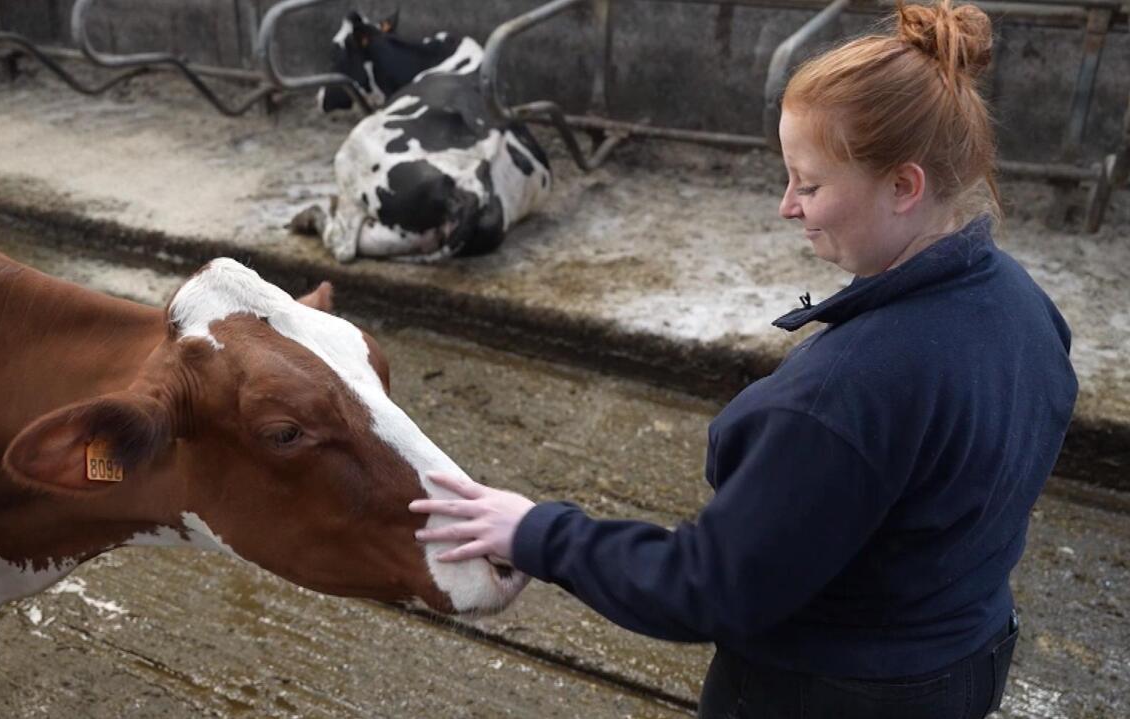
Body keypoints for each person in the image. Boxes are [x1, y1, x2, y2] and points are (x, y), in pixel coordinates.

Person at [409, 1, 1079, 717]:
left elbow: (708, 586)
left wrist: (537, 532)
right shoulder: (1025, 307)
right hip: (965, 661)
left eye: (811, 184)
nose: (788, 206)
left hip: (833, 694)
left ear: (904, 187)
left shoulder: (847, 393)